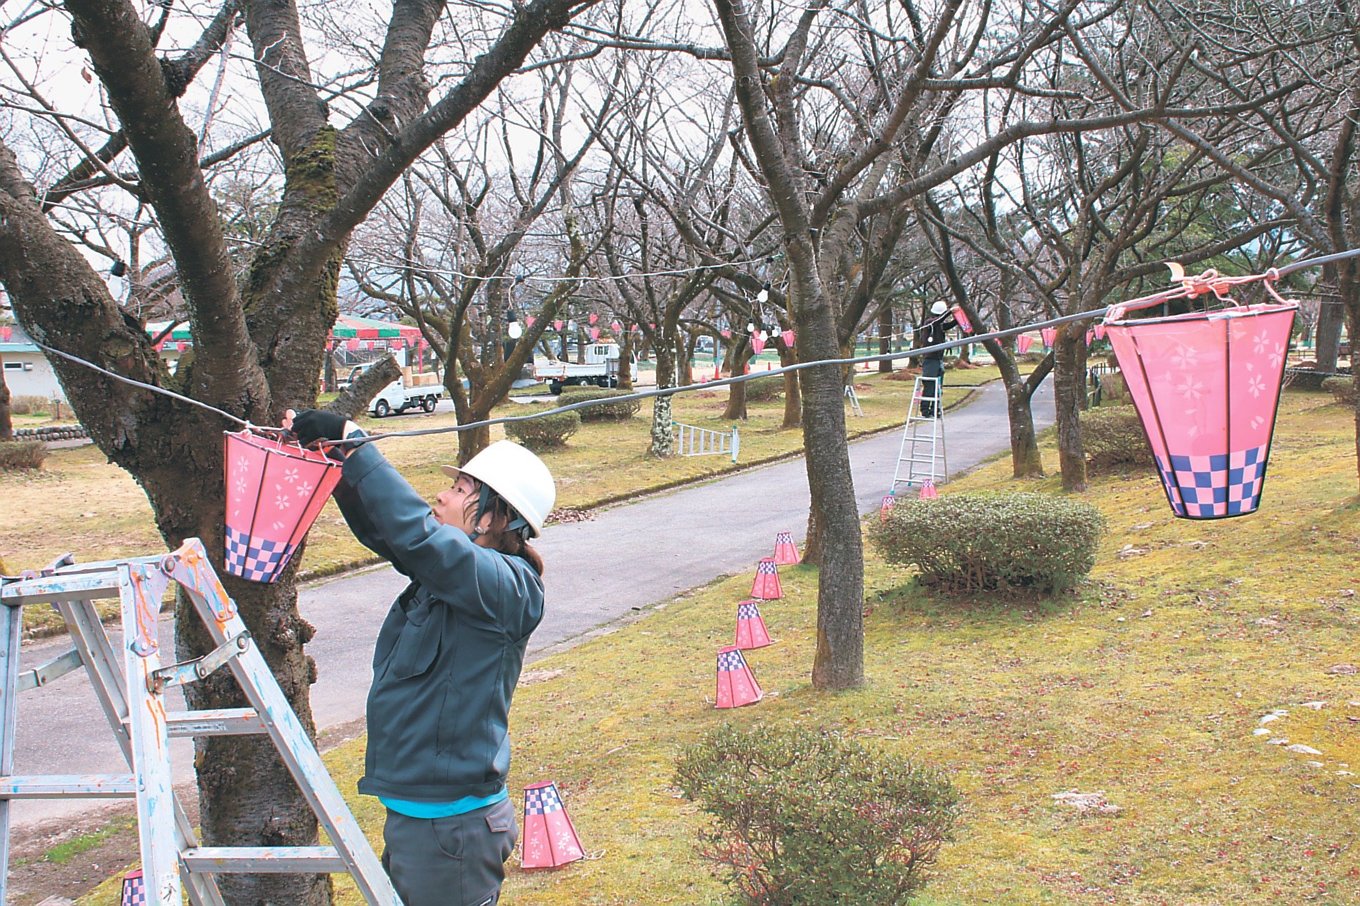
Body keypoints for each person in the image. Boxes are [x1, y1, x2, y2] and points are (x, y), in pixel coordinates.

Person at [285, 408, 555, 906]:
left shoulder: (509, 587)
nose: (441, 495)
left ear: (494, 516)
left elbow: (420, 539)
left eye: (459, 490)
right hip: (424, 818)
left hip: (450, 828)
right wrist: (340, 459)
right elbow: (394, 536)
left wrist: (358, 445)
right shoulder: (454, 579)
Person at [916, 301, 959, 418]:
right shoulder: (930, 323)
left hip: (938, 360)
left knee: (938, 387)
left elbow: (948, 325)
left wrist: (958, 318)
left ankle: (935, 409)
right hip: (930, 360)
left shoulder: (939, 325)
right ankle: (925, 410)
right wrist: (950, 312)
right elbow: (937, 322)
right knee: (930, 385)